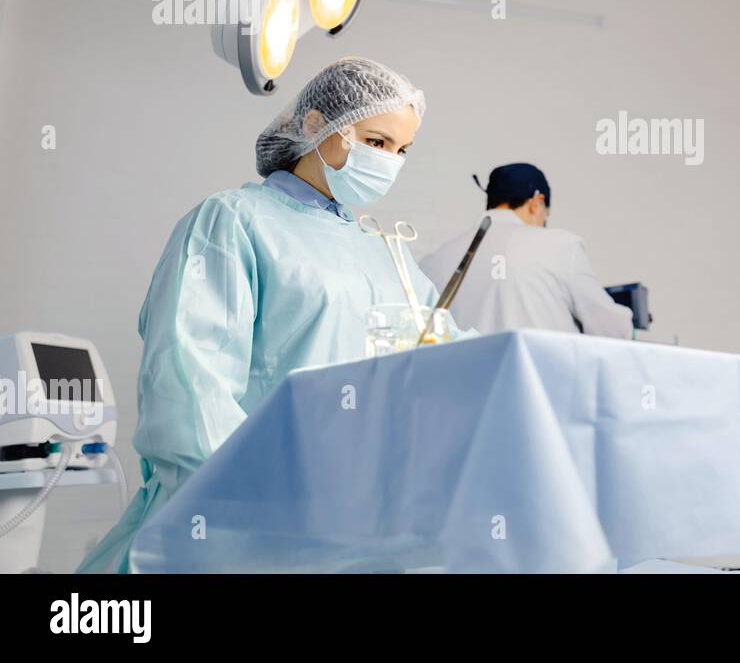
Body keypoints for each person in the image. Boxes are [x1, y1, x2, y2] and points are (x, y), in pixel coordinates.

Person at [79, 57, 470, 573]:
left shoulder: (382, 250)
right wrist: (257, 503)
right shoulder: (233, 221)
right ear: (315, 125)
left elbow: (455, 356)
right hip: (240, 526)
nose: (390, 162)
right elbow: (190, 390)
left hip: (353, 529)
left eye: (401, 150)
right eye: (376, 142)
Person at [420, 163, 632, 338]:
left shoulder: (433, 262)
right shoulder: (561, 246)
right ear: (536, 203)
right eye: (544, 217)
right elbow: (610, 330)